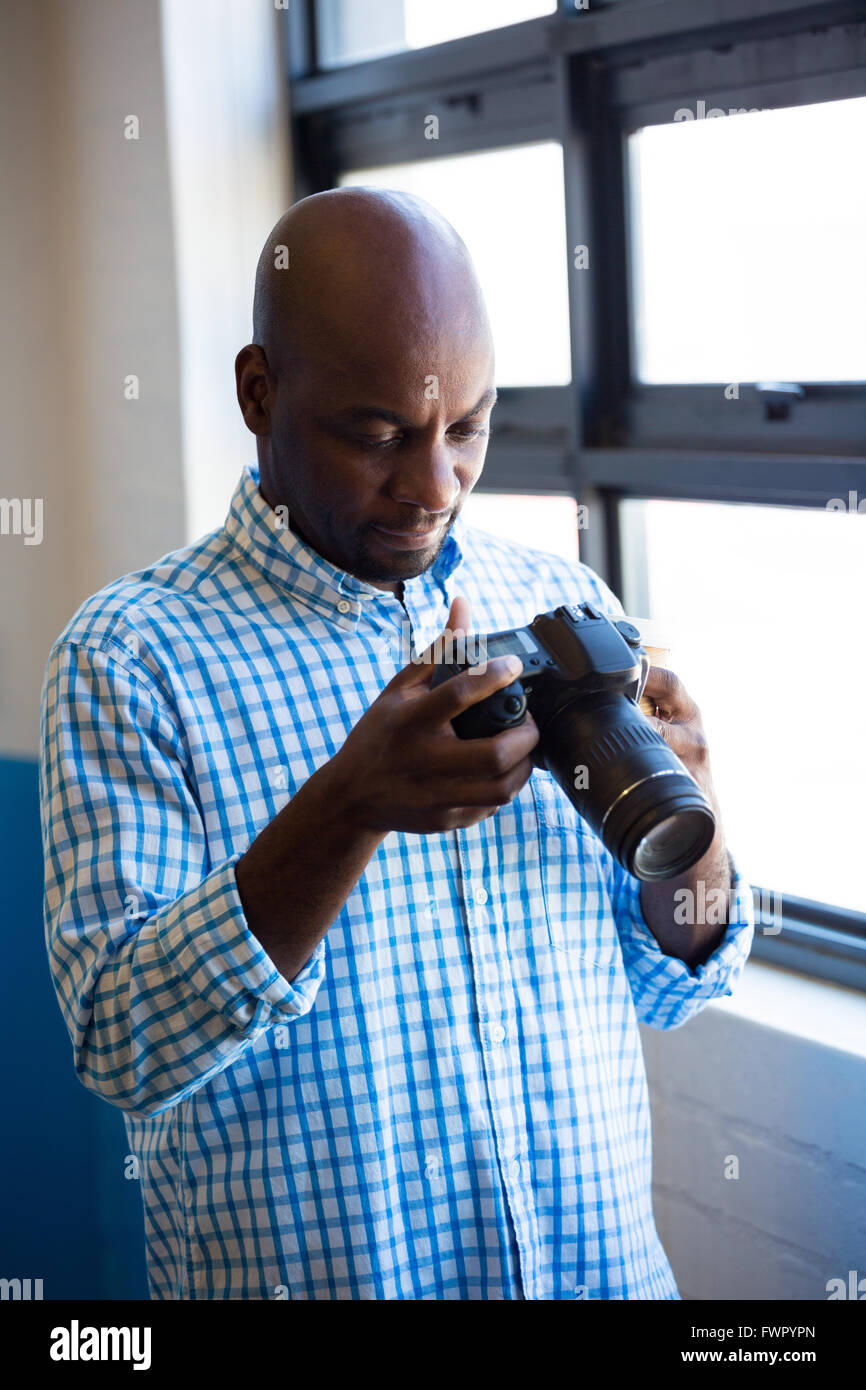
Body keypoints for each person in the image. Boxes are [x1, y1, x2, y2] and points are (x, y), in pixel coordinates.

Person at [39, 188, 753, 1301]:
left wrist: (695, 841)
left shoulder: (561, 601)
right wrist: (348, 806)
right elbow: (125, 1044)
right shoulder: (131, 657)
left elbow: (678, 982)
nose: (433, 488)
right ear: (258, 393)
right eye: (377, 435)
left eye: (465, 429)